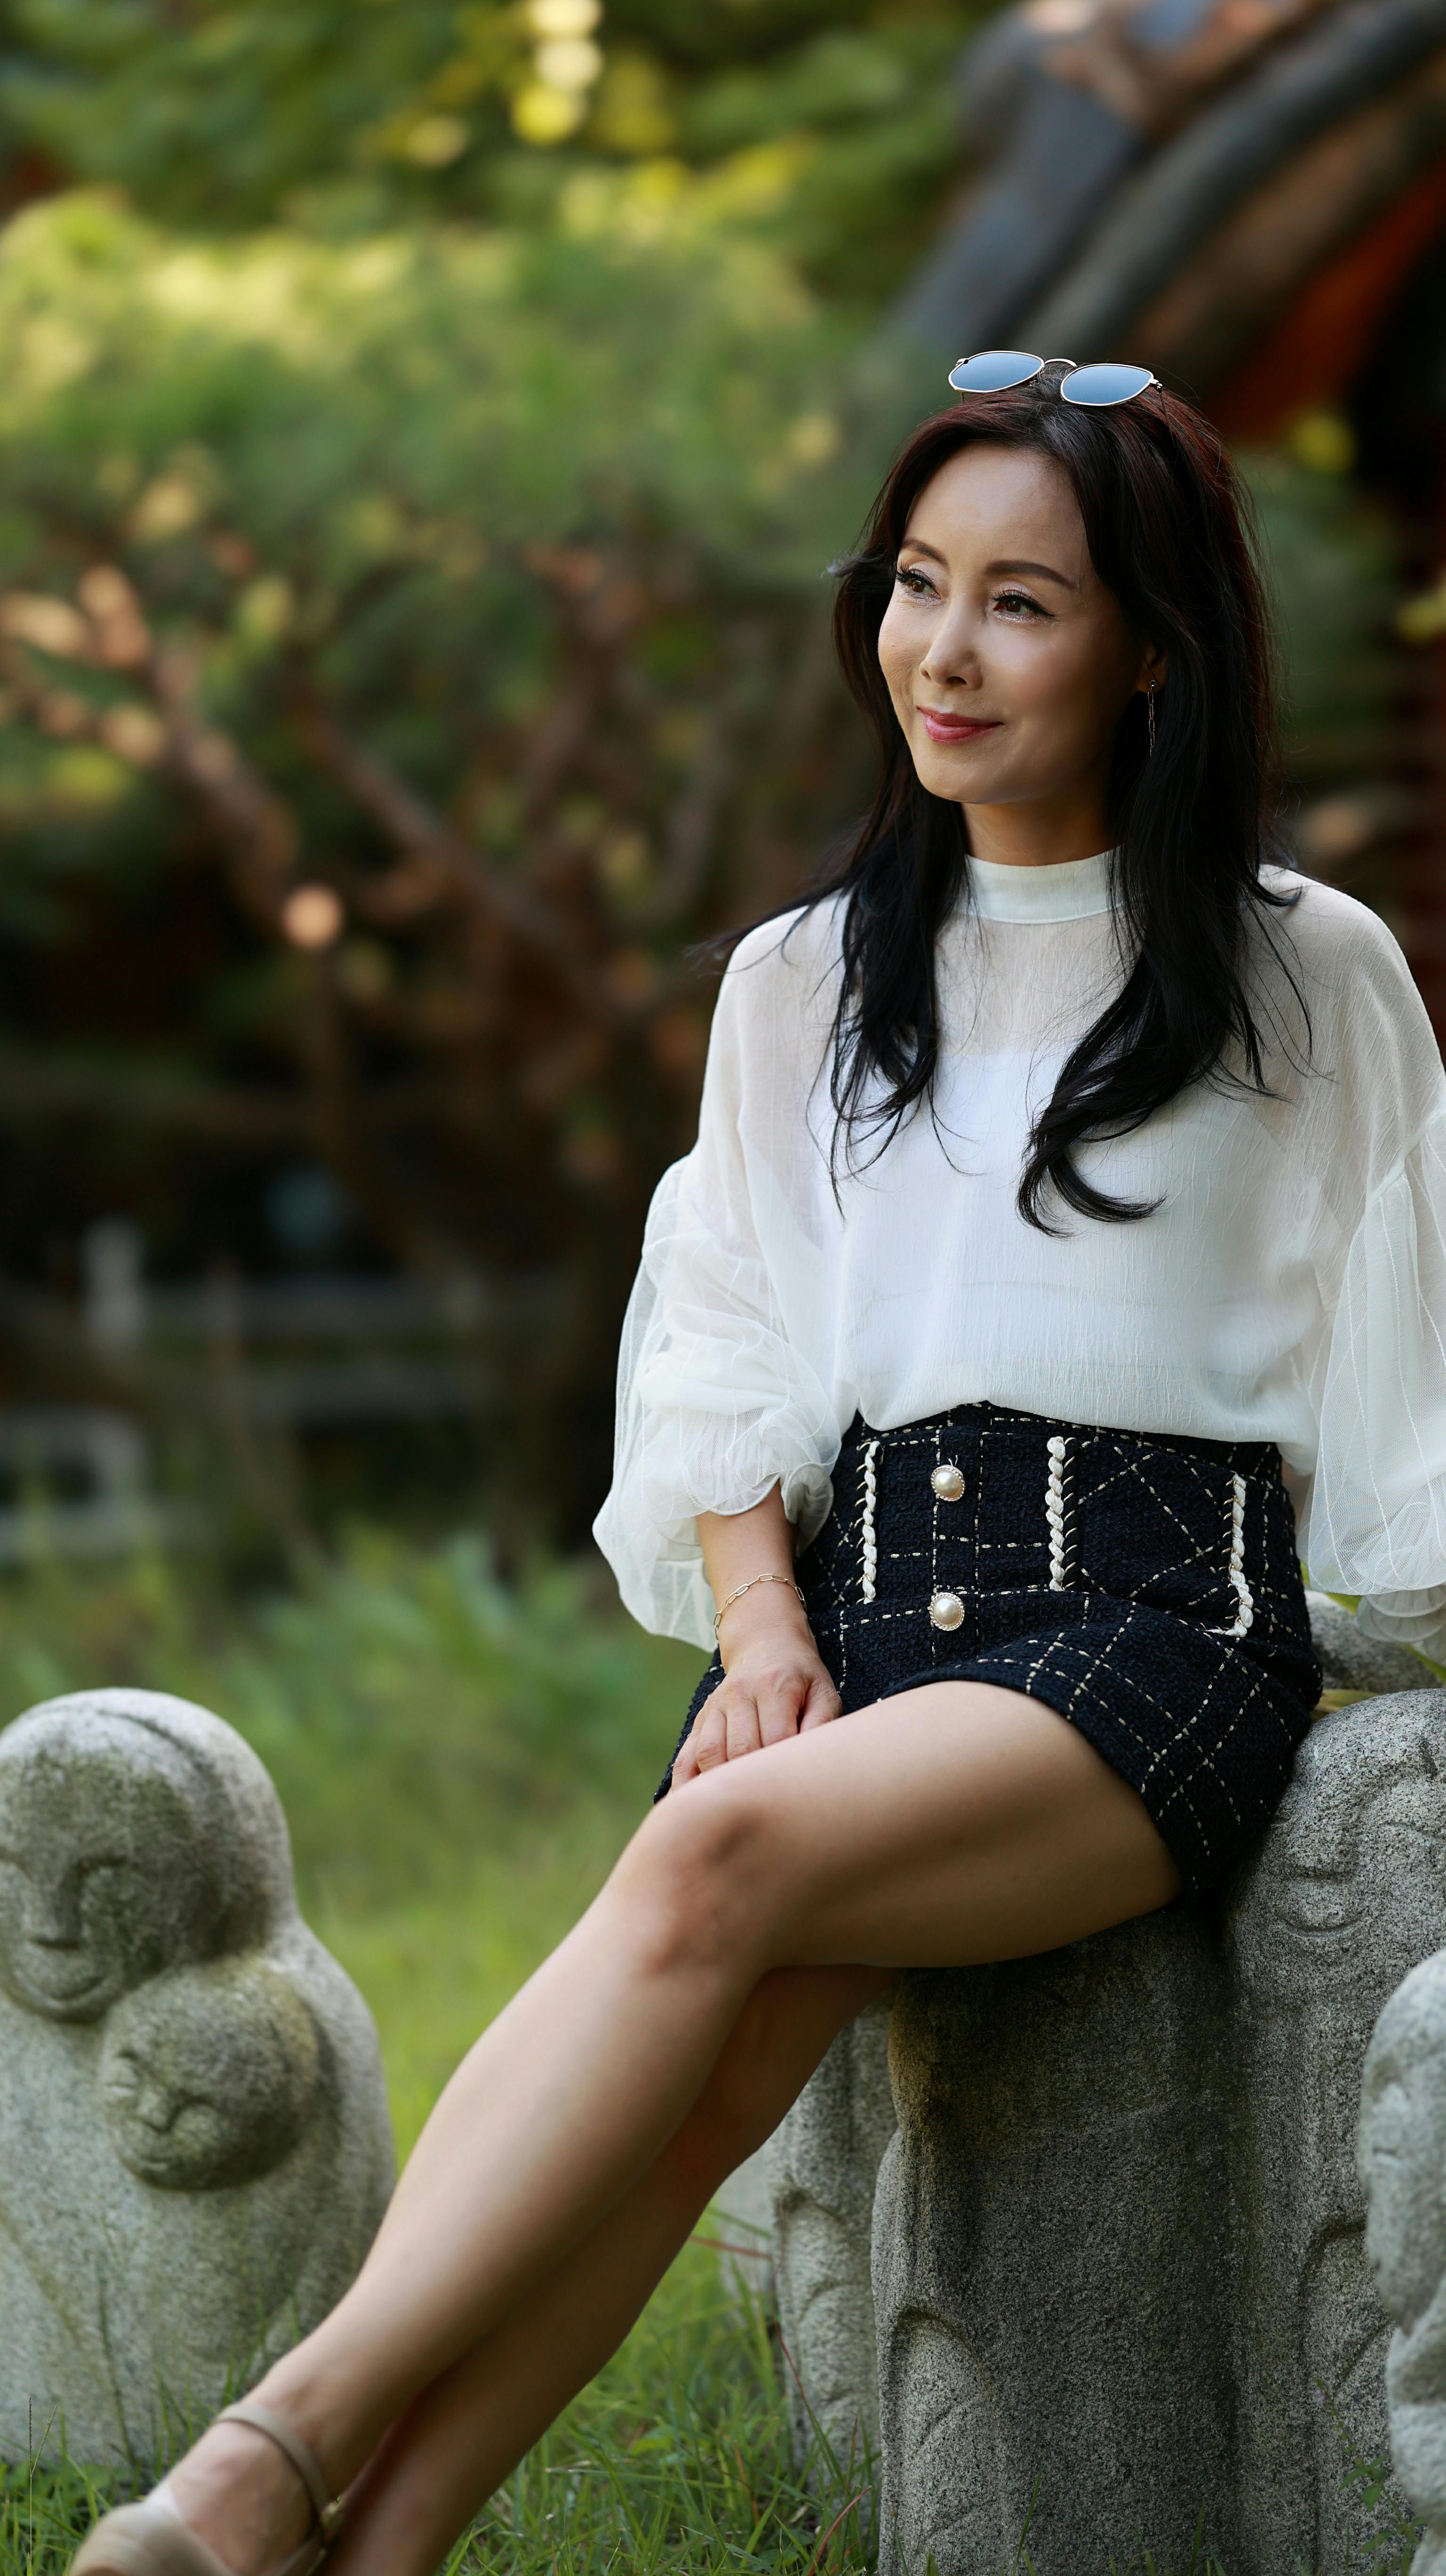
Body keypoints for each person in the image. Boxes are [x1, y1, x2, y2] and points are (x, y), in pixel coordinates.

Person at [70, 357, 1446, 2576]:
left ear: (1153, 647)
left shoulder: (1310, 975)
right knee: (699, 2086)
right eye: (917, 588)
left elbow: (1408, 1401)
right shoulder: (805, 982)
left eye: (1022, 603)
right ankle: (357, 2550)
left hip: (1149, 1634)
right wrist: (762, 1631)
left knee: (700, 1881)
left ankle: (264, 2449)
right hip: (872, 1614)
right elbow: (731, 1339)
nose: (946, 652)